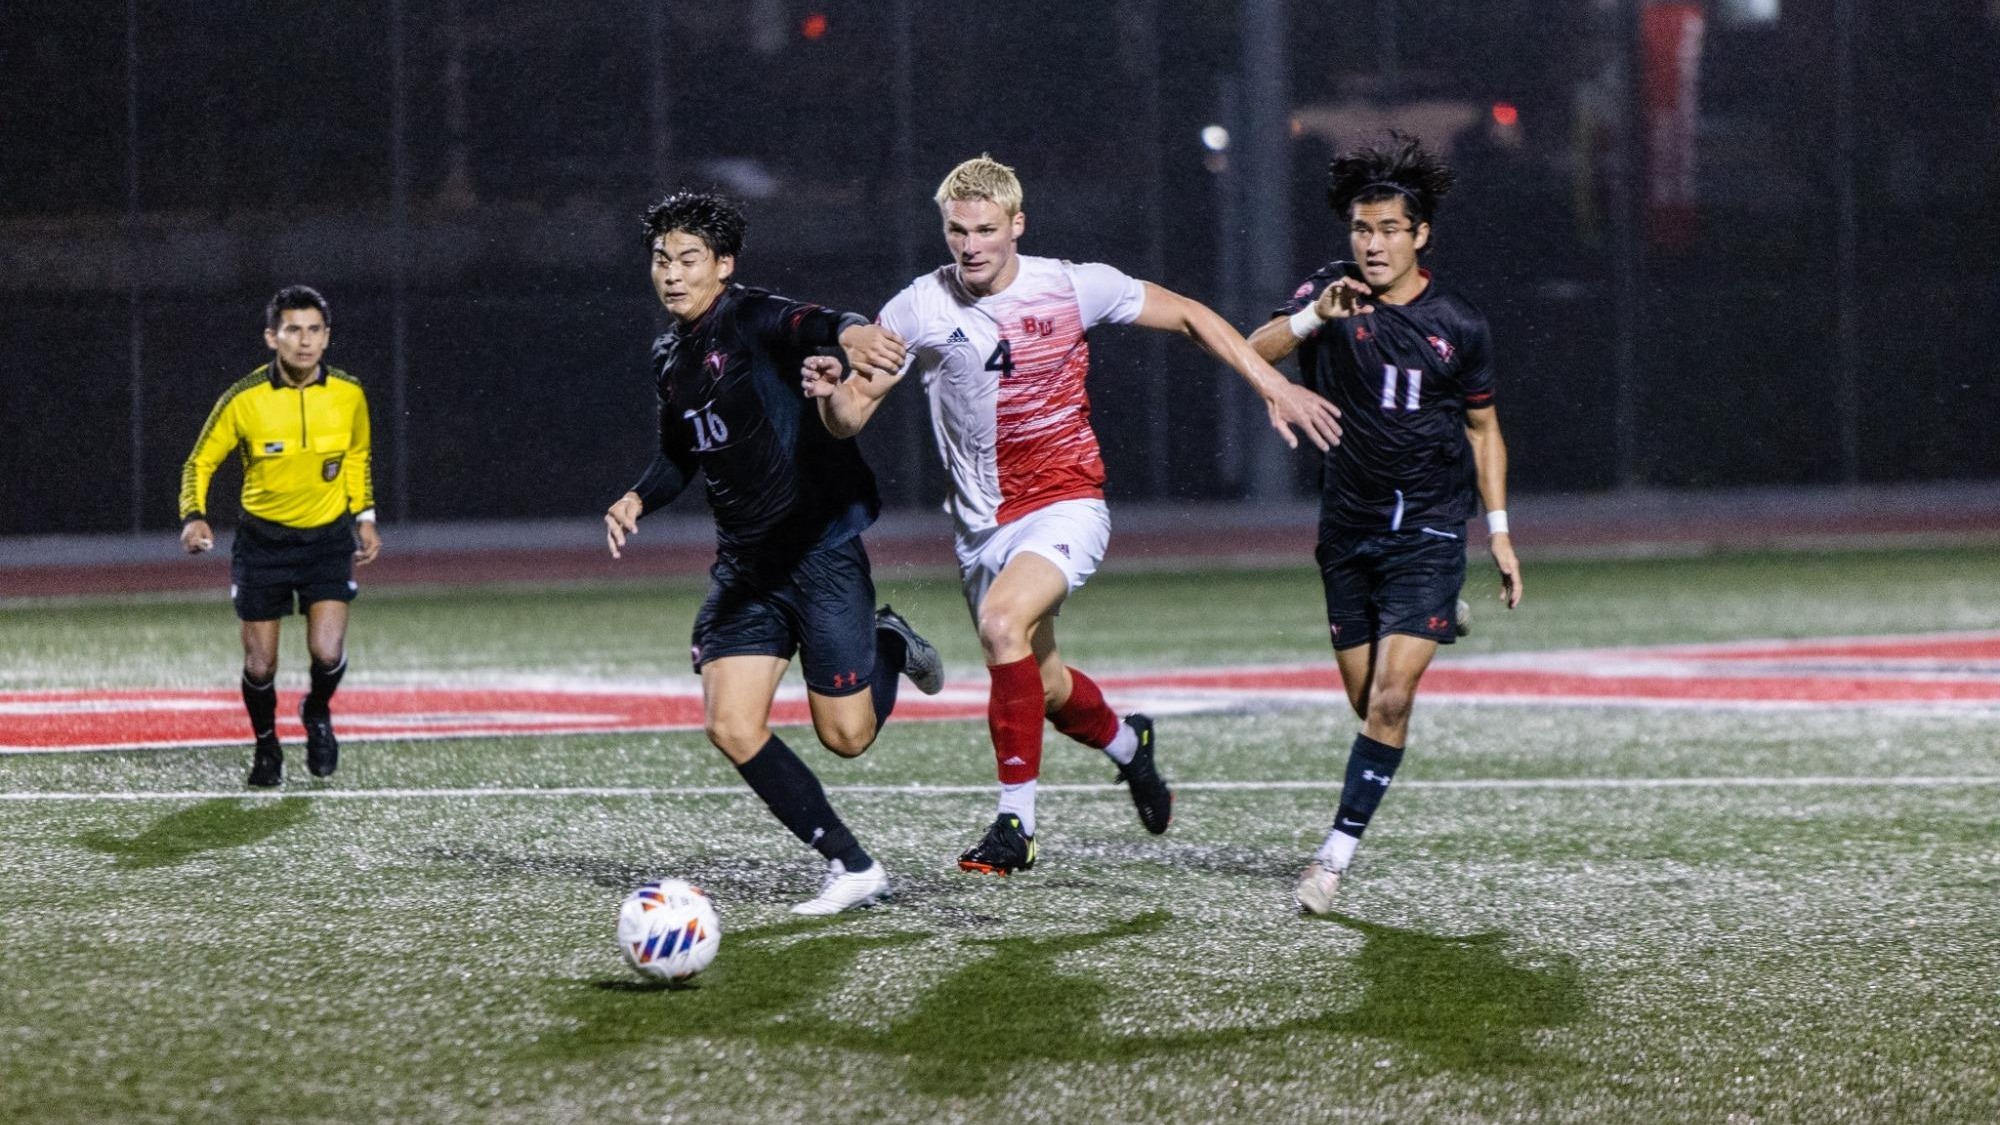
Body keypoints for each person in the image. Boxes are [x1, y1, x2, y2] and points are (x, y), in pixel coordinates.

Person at [804, 155, 1341, 875]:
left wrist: (1271, 383)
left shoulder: (1072, 285)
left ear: (1017, 226)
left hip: (1066, 503)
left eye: (986, 229)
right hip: (980, 528)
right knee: (1045, 683)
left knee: (1001, 624)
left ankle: (1014, 825)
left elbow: (1189, 314)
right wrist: (829, 395)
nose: (969, 246)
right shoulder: (918, 306)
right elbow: (850, 419)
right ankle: (1130, 747)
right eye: (957, 230)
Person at [603, 191, 945, 916]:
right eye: (661, 259)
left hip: (819, 553)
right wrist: (638, 496)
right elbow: (677, 453)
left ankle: (887, 640)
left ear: (722, 266)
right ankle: (852, 864)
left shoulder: (753, 316)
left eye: (688, 259)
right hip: (748, 569)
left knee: (846, 736)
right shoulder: (670, 354)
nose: (671, 273)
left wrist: (851, 335)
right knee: (730, 723)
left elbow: (812, 322)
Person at [1244, 133, 1523, 913]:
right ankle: (1435, 619)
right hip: (1347, 526)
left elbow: (1483, 430)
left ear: (1420, 234)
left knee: (1393, 701)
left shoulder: (1458, 323)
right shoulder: (1330, 293)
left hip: (1432, 524)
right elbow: (1248, 353)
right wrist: (1308, 321)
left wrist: (1497, 529)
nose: (1372, 245)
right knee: (1369, 703)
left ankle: (1331, 860)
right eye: (1362, 231)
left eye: (1389, 230)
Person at [180, 285, 381, 788]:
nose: (305, 342)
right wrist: (194, 516)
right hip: (263, 545)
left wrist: (366, 517)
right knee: (261, 664)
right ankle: (267, 747)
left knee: (327, 653)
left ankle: (316, 713)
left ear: (327, 336)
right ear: (272, 337)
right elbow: (199, 461)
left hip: (327, 540)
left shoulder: (349, 393)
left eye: (314, 330)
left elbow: (357, 456)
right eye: (293, 330)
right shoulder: (243, 398)